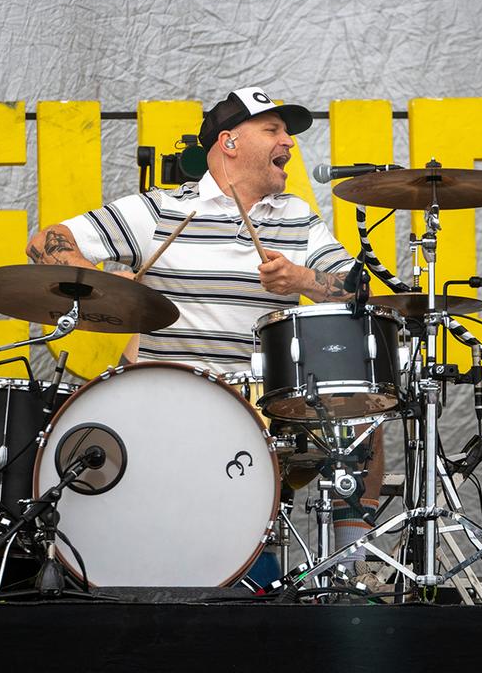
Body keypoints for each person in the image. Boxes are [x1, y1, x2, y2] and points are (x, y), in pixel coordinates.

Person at [27, 86, 384, 587]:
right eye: (274, 130)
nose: (290, 143)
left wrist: (302, 280)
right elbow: (45, 242)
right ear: (230, 142)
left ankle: (352, 572)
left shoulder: (297, 217)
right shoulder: (159, 211)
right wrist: (106, 285)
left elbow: (358, 288)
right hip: (163, 403)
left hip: (260, 406)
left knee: (360, 395)